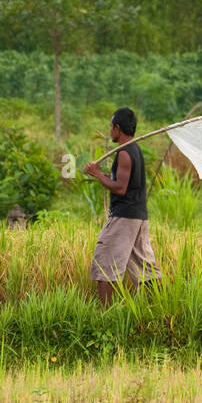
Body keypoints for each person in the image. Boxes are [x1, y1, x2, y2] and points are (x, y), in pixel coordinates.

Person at [83, 107, 160, 305]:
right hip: (138, 216)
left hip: (124, 218)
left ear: (117, 128)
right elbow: (122, 183)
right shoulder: (134, 150)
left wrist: (97, 174)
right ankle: (161, 307)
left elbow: (120, 188)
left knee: (105, 264)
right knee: (145, 269)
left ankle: (106, 317)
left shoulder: (125, 153)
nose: (109, 130)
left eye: (111, 126)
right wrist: (102, 174)